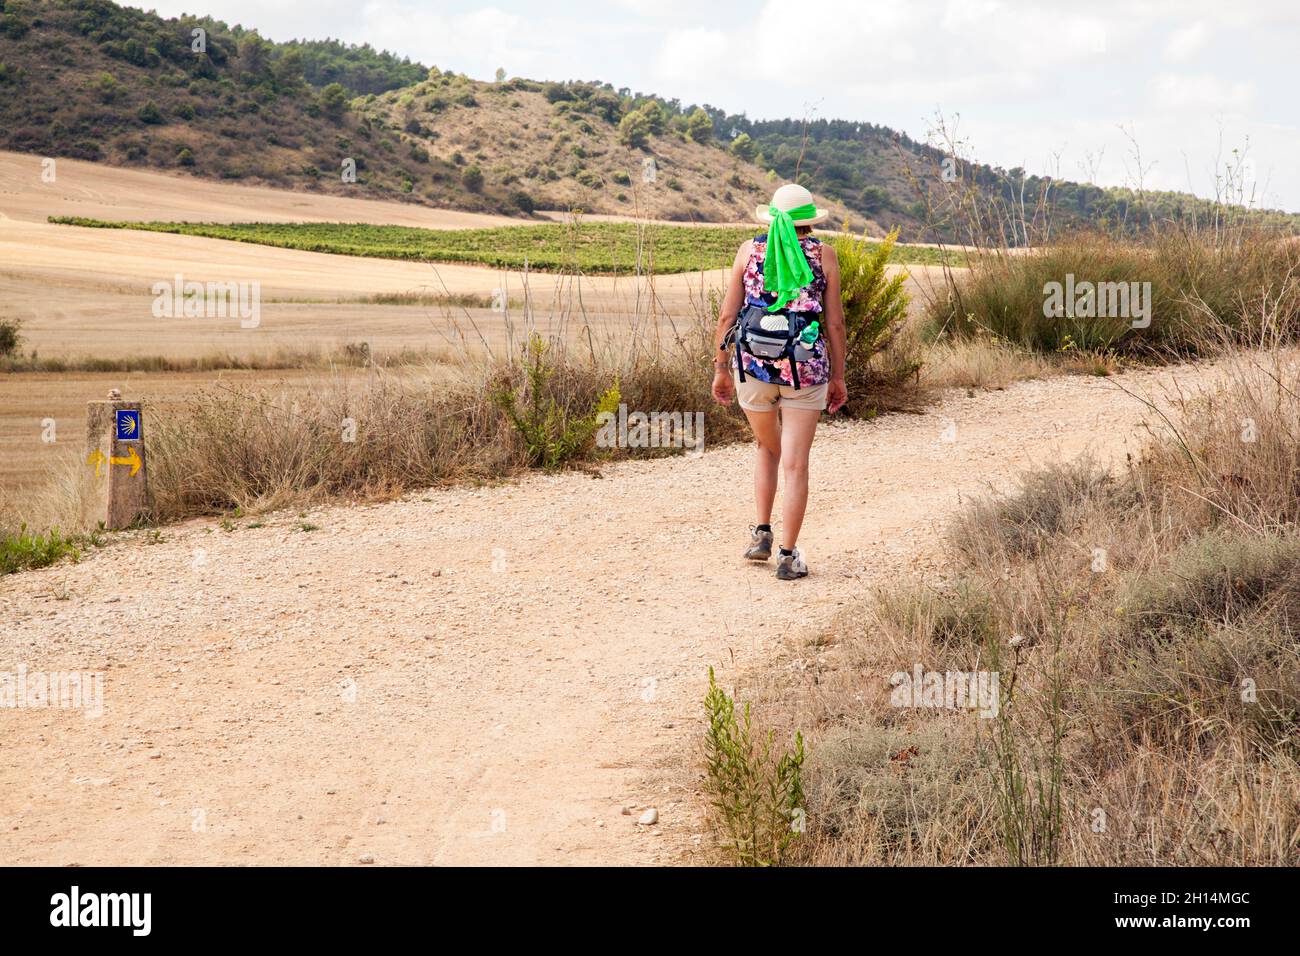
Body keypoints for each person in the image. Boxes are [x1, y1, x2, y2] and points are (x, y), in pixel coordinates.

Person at [710, 183, 847, 580]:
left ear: (770, 218)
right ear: (808, 221)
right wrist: (837, 375)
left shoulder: (749, 251)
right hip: (806, 368)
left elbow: (726, 317)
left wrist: (721, 367)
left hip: (753, 366)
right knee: (796, 464)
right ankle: (788, 557)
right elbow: (834, 322)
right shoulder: (825, 255)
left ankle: (761, 534)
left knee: (766, 446)